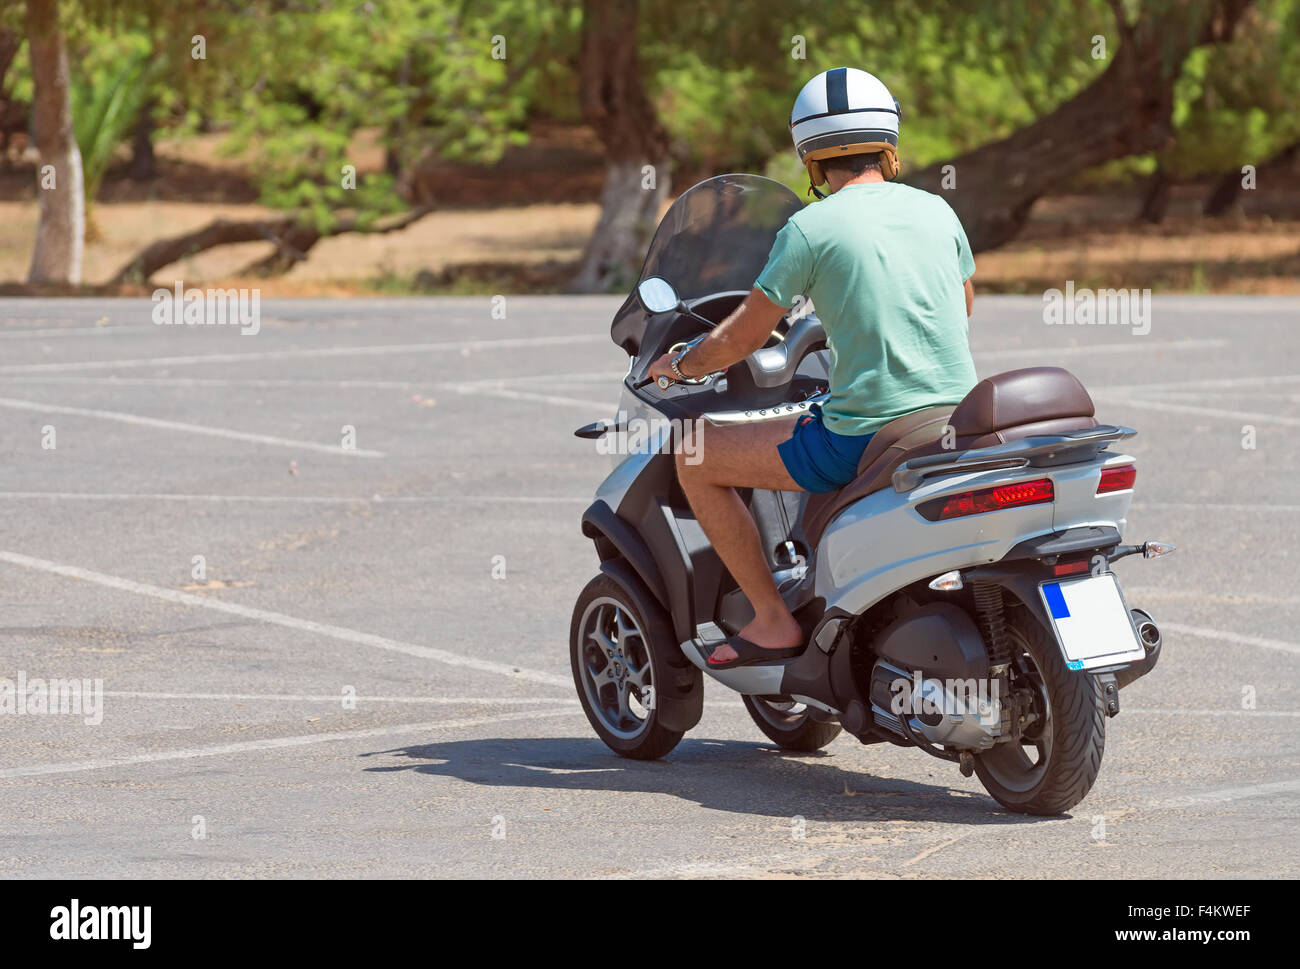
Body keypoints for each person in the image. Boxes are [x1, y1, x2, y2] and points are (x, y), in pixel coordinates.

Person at [647, 67, 978, 669]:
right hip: (959, 417)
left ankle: (772, 622)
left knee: (694, 454)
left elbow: (745, 334)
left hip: (865, 434)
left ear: (810, 157)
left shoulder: (808, 227)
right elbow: (960, 309)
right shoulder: (936, 211)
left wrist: (682, 366)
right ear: (888, 144)